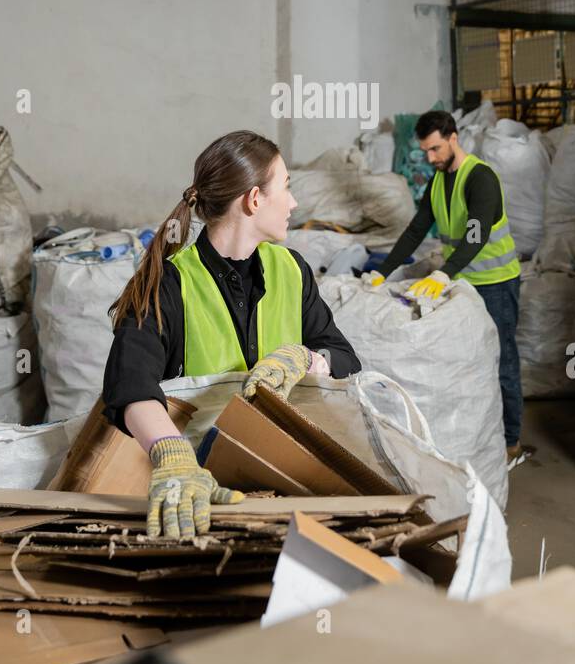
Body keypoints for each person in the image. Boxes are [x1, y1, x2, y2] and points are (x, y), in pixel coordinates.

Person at [102, 130, 361, 540]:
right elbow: (129, 382)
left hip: (282, 476)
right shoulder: (170, 282)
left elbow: (343, 354)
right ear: (254, 200)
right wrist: (173, 457)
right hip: (198, 491)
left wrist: (303, 359)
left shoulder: (291, 269)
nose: (293, 203)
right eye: (287, 188)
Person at [367, 109, 529, 468]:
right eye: (425, 151)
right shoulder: (438, 181)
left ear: (454, 138)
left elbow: (476, 232)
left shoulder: (480, 178)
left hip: (496, 283)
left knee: (502, 360)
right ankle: (481, 436)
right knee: (471, 360)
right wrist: (384, 271)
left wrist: (444, 273)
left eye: (436, 149)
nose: (430, 158)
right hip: (463, 283)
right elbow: (415, 230)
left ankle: (511, 441)